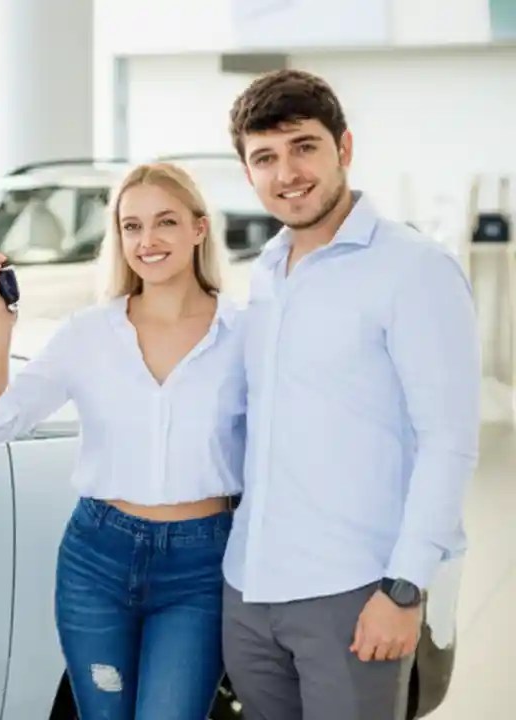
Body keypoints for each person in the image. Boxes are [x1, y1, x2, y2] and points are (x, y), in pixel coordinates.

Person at [221, 69, 481, 720]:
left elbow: (448, 441)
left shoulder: (413, 268)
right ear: (248, 172)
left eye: (304, 147)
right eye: (265, 158)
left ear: (345, 147)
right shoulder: (266, 272)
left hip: (354, 589)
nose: (288, 173)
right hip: (250, 589)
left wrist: (404, 587)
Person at [0, 162, 244, 719]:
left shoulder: (246, 334)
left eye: (165, 222)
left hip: (202, 565)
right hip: (98, 558)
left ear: (198, 228)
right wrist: (1, 322)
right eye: (131, 226)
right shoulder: (87, 335)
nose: (148, 240)